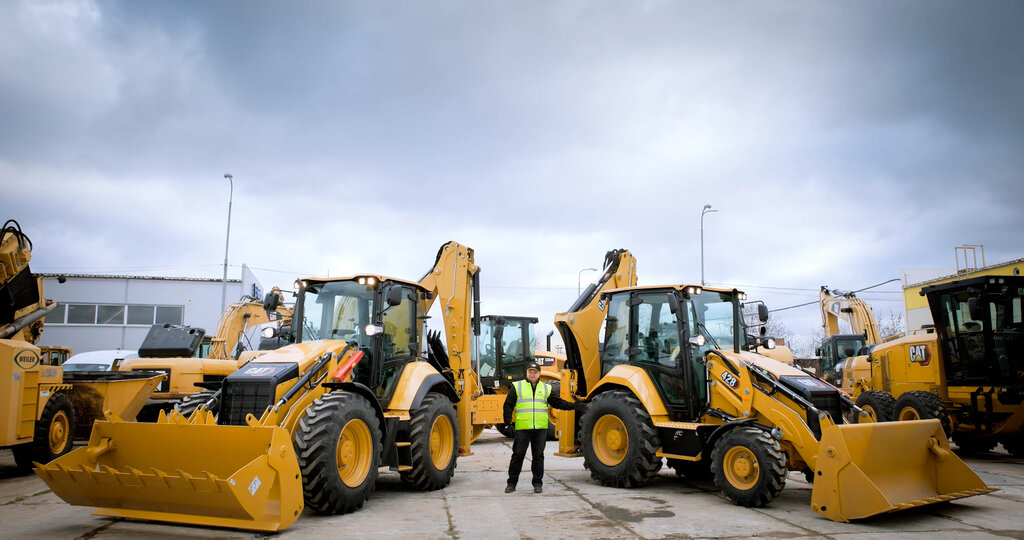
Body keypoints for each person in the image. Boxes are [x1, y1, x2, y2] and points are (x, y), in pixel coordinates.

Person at [503, 362, 586, 494]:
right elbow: (508, 405)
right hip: (523, 428)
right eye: (530, 372)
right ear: (526, 373)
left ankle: (537, 484)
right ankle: (511, 484)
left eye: (535, 372)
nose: (532, 374)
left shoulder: (546, 388)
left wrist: (574, 406)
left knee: (538, 456)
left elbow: (558, 403)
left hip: (540, 429)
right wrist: (507, 424)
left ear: (539, 374)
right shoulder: (517, 386)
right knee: (518, 456)